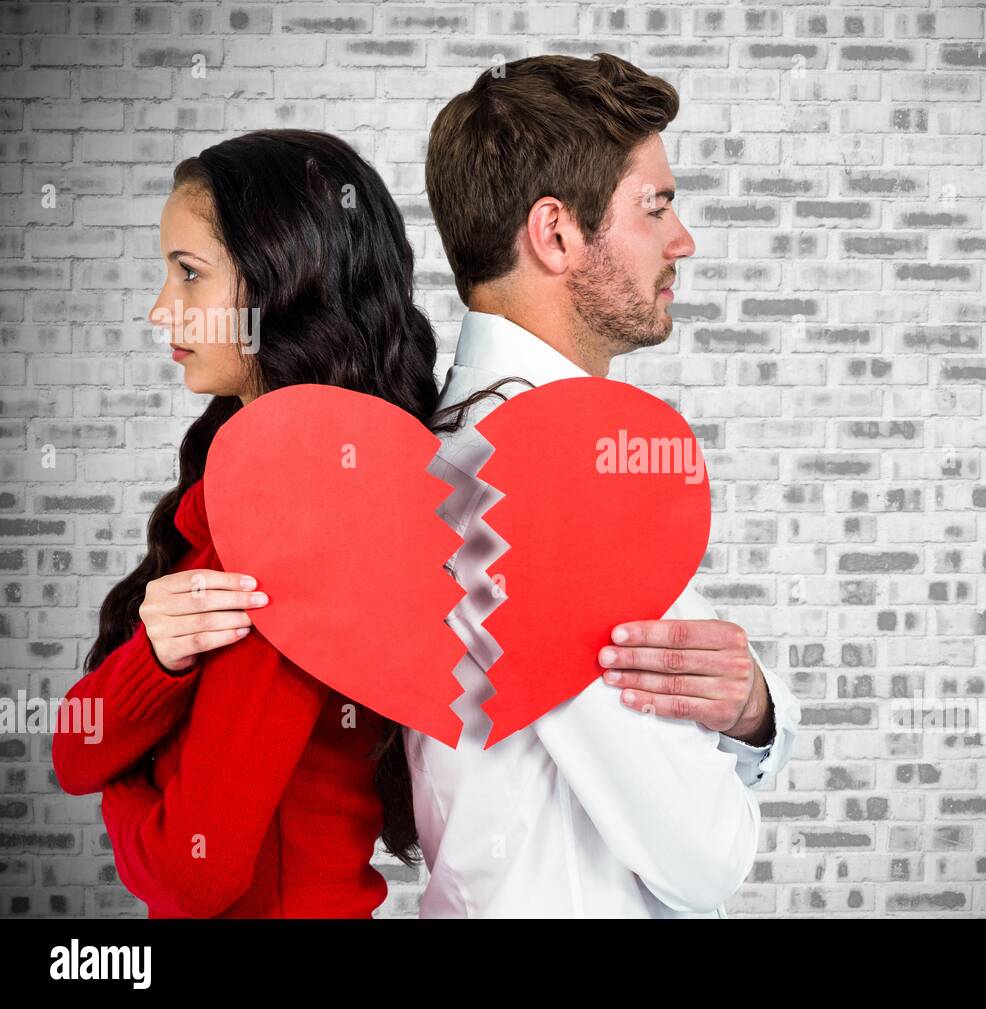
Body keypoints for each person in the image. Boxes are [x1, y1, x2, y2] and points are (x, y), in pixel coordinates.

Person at [408, 53, 802, 917]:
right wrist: (745, 741)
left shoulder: (462, 443)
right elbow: (707, 854)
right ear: (556, 234)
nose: (683, 239)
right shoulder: (537, 483)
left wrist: (752, 709)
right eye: (653, 206)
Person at [51, 129, 443, 917]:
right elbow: (74, 747)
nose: (161, 310)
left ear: (280, 280)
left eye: (189, 274)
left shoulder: (303, 513)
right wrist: (156, 662)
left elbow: (195, 872)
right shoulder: (243, 481)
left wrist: (126, 783)